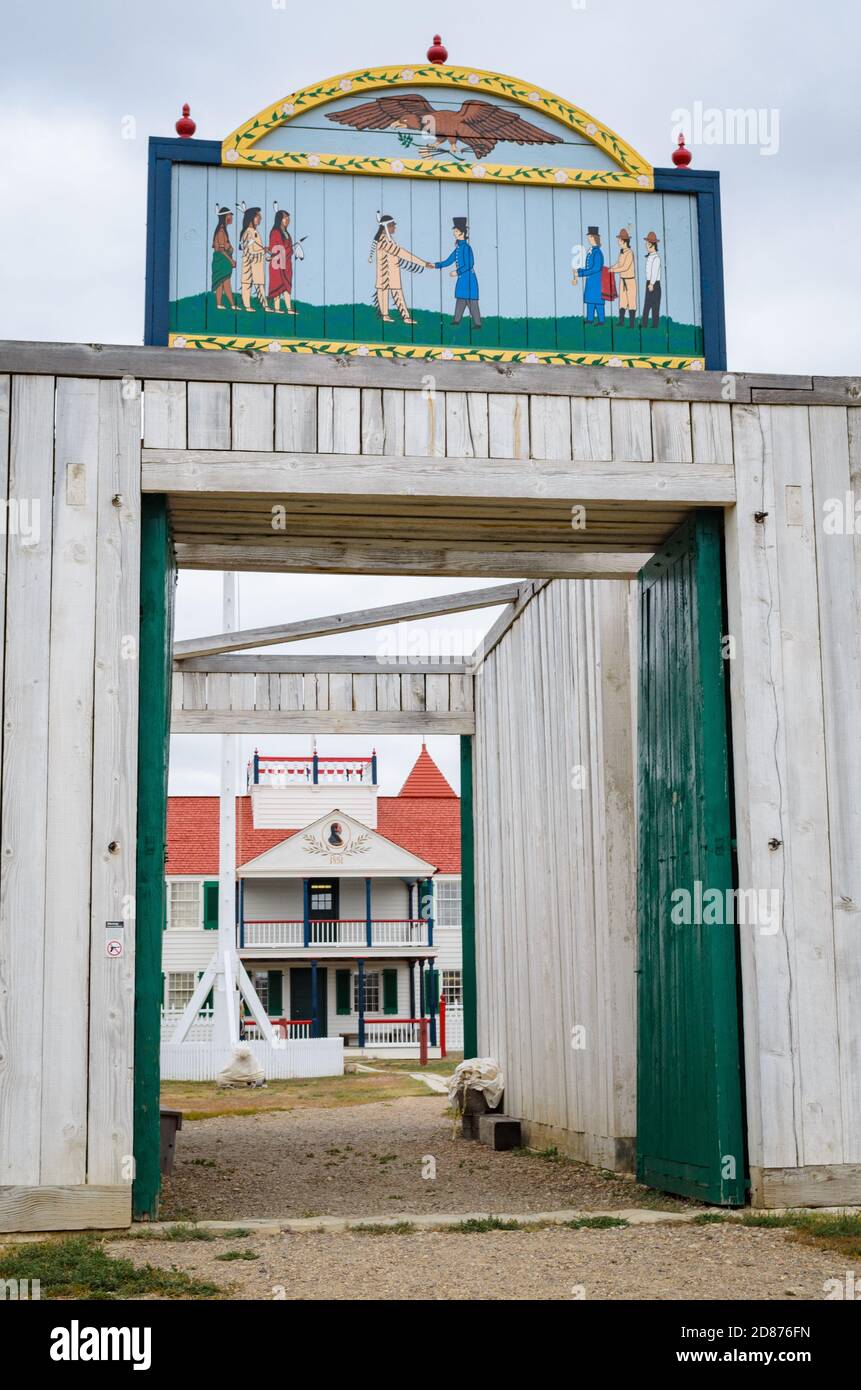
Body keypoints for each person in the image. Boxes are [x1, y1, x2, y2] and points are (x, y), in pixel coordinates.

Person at [369, 212, 427, 323]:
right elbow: (400, 252)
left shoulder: (389, 239)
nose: (394, 227)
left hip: (393, 272)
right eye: (392, 225)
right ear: (387, 227)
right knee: (383, 292)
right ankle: (385, 315)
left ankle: (406, 317)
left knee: (397, 294)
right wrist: (423, 263)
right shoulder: (383, 240)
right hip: (384, 273)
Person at [432, 216, 481, 327]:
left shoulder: (466, 248)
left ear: (462, 233)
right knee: (461, 300)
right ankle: (456, 320)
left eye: (456, 231)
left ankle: (477, 323)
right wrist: (435, 265)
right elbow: (449, 260)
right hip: (462, 280)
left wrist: (457, 272)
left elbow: (469, 264)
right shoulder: (458, 248)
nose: (454, 233)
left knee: (471, 301)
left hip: (469, 279)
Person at [239, 206, 268, 312]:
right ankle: (247, 306)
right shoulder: (248, 232)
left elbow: (256, 248)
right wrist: (262, 251)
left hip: (257, 263)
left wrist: (263, 251)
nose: (260, 218)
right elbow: (249, 250)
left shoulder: (254, 232)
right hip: (250, 263)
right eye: (258, 216)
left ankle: (265, 305)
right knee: (247, 284)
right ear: (252, 218)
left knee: (260, 285)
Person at [268, 208, 297, 314]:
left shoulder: (287, 233)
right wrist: (289, 249)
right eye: (285, 218)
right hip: (277, 264)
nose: (287, 220)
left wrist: (290, 250)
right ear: (280, 219)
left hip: (286, 264)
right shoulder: (275, 232)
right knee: (278, 286)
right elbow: (277, 248)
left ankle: (289, 308)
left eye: (288, 218)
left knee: (286, 286)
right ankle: (277, 308)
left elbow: (287, 248)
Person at [575, 226, 605, 324]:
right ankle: (590, 319)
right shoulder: (591, 251)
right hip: (591, 281)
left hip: (597, 281)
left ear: (594, 238)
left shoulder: (597, 252)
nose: (588, 238)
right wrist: (580, 270)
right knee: (590, 300)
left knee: (598, 302)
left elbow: (595, 268)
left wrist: (581, 273)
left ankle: (601, 320)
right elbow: (589, 267)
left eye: (590, 237)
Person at [608, 228, 637, 326]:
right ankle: (621, 321)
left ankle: (632, 323)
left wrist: (613, 270)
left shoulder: (629, 253)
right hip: (622, 280)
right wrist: (611, 268)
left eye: (619, 240)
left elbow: (625, 267)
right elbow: (619, 264)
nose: (618, 242)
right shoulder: (622, 252)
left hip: (630, 281)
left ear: (624, 241)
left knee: (631, 302)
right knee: (622, 302)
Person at [211, 207, 238, 310]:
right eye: (229, 215)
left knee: (222, 283)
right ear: (224, 217)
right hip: (222, 260)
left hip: (223, 260)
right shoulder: (221, 231)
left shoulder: (223, 230)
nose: (231, 217)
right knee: (223, 283)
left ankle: (222, 304)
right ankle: (231, 304)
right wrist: (231, 260)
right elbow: (221, 249)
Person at [641, 230, 662, 328]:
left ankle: (654, 325)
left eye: (647, 244)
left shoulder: (656, 258)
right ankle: (644, 324)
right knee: (647, 305)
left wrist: (652, 284)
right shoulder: (650, 257)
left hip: (654, 284)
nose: (646, 246)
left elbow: (655, 272)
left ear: (651, 244)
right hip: (649, 282)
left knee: (655, 306)